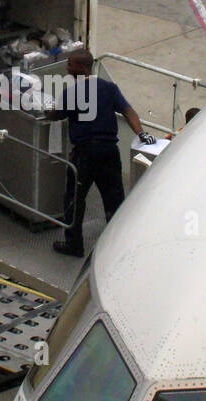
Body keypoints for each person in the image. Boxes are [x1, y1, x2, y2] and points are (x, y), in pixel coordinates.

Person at [47, 50, 151, 257]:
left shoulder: (71, 92)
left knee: (74, 199)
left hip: (84, 155)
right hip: (109, 152)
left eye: (71, 64)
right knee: (114, 198)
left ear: (83, 68)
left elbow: (56, 115)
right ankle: (119, 244)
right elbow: (128, 111)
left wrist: (45, 110)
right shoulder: (109, 88)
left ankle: (74, 245)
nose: (67, 68)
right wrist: (141, 133)